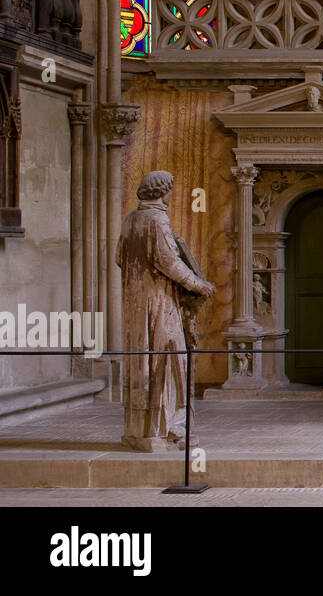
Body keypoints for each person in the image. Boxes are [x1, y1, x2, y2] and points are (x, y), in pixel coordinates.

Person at [117, 170, 215, 450]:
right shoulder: (157, 220)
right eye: (170, 189)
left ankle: (140, 429)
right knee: (170, 358)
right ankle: (169, 428)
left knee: (143, 361)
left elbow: (119, 258)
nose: (172, 194)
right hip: (159, 300)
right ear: (162, 192)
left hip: (134, 301)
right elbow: (168, 261)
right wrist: (199, 285)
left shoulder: (130, 220)